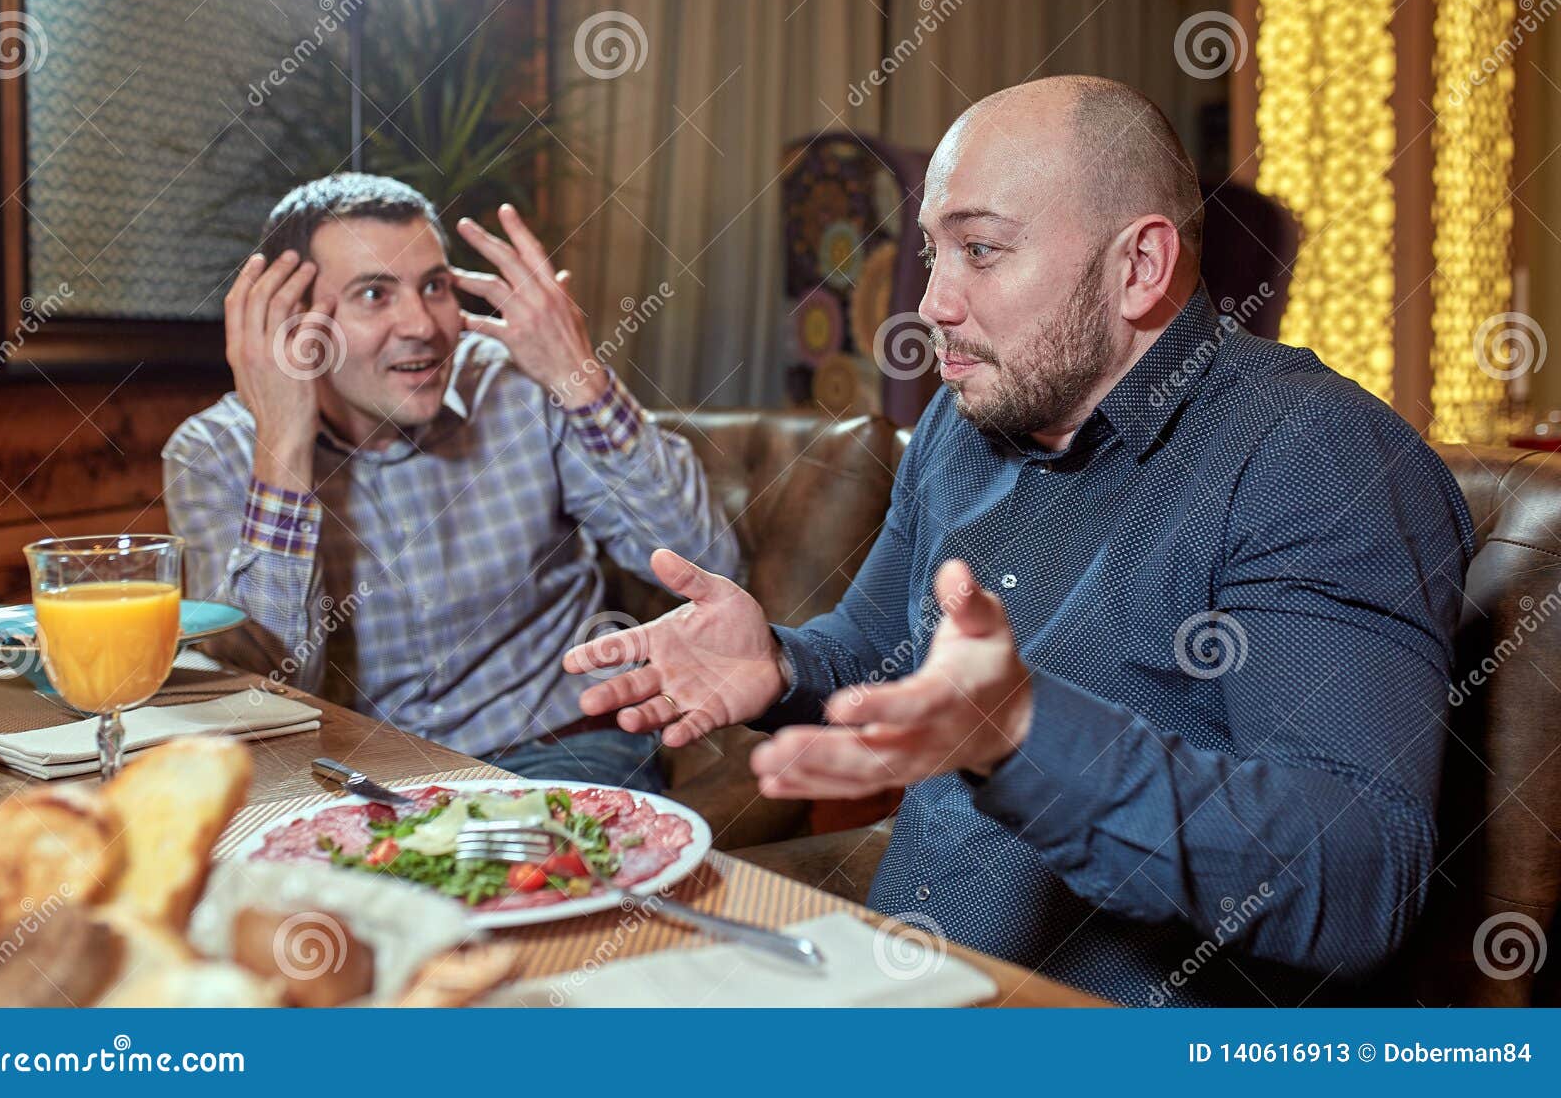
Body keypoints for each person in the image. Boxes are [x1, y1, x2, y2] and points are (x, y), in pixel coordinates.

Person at [565, 76, 1475, 1004]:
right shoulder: (966, 425)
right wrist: (780, 666)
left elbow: (1360, 876)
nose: (931, 304)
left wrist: (1025, 737)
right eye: (932, 252)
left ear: (1140, 266)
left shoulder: (1313, 456)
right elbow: (882, 658)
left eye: (981, 250)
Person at [164, 173, 737, 793]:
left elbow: (710, 563)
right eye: (374, 294)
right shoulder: (211, 452)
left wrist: (581, 377)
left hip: (561, 747)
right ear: (293, 321)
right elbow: (270, 691)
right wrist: (283, 447)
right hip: (356, 776)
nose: (423, 325)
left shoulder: (516, 383)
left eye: (434, 286)